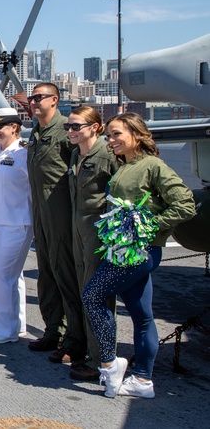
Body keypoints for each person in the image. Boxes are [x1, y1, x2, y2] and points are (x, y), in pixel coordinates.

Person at [83, 113, 195, 399]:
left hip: (137, 252)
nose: (111, 140)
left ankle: (110, 364)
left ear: (137, 134)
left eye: (117, 134)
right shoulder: (125, 165)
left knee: (92, 297)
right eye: (109, 135)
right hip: (124, 250)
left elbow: (185, 204)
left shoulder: (152, 166)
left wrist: (147, 226)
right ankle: (143, 380)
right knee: (142, 316)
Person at [25, 83, 81, 356]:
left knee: (65, 275)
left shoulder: (66, 130)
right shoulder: (36, 132)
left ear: (54, 100)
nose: (33, 102)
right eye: (31, 98)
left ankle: (74, 340)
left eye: (39, 97)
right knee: (46, 273)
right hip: (41, 211)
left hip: (61, 212)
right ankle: (53, 330)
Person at [63, 106, 118, 381]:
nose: (70, 131)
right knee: (81, 288)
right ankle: (86, 350)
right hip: (78, 229)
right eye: (68, 127)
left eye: (76, 127)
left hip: (97, 232)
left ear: (95, 127)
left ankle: (101, 361)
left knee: (97, 294)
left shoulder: (107, 155)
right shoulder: (77, 154)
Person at [0, 108, 33, 344]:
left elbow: (35, 188)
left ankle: (4, 330)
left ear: (14, 127)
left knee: (2, 275)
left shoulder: (24, 154)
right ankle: (15, 325)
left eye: (0, 127)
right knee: (7, 275)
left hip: (16, 222)